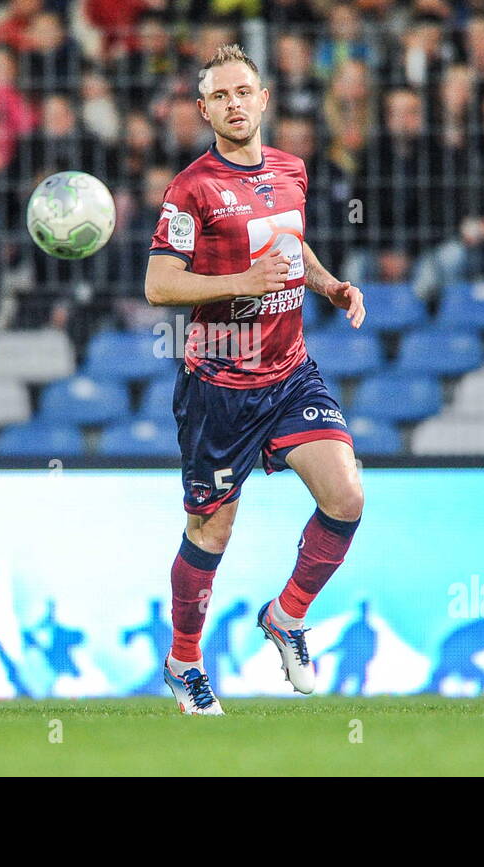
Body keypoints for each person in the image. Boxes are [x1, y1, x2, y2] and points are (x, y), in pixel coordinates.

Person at [144, 44, 366, 714]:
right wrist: (244, 282)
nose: (236, 104)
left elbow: (288, 240)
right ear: (204, 109)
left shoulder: (291, 170)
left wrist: (325, 284)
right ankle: (184, 662)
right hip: (220, 386)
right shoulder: (191, 188)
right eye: (221, 95)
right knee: (211, 534)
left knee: (347, 496)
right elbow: (158, 284)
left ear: (264, 99)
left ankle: (288, 615)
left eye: (246, 91)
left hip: (292, 372)